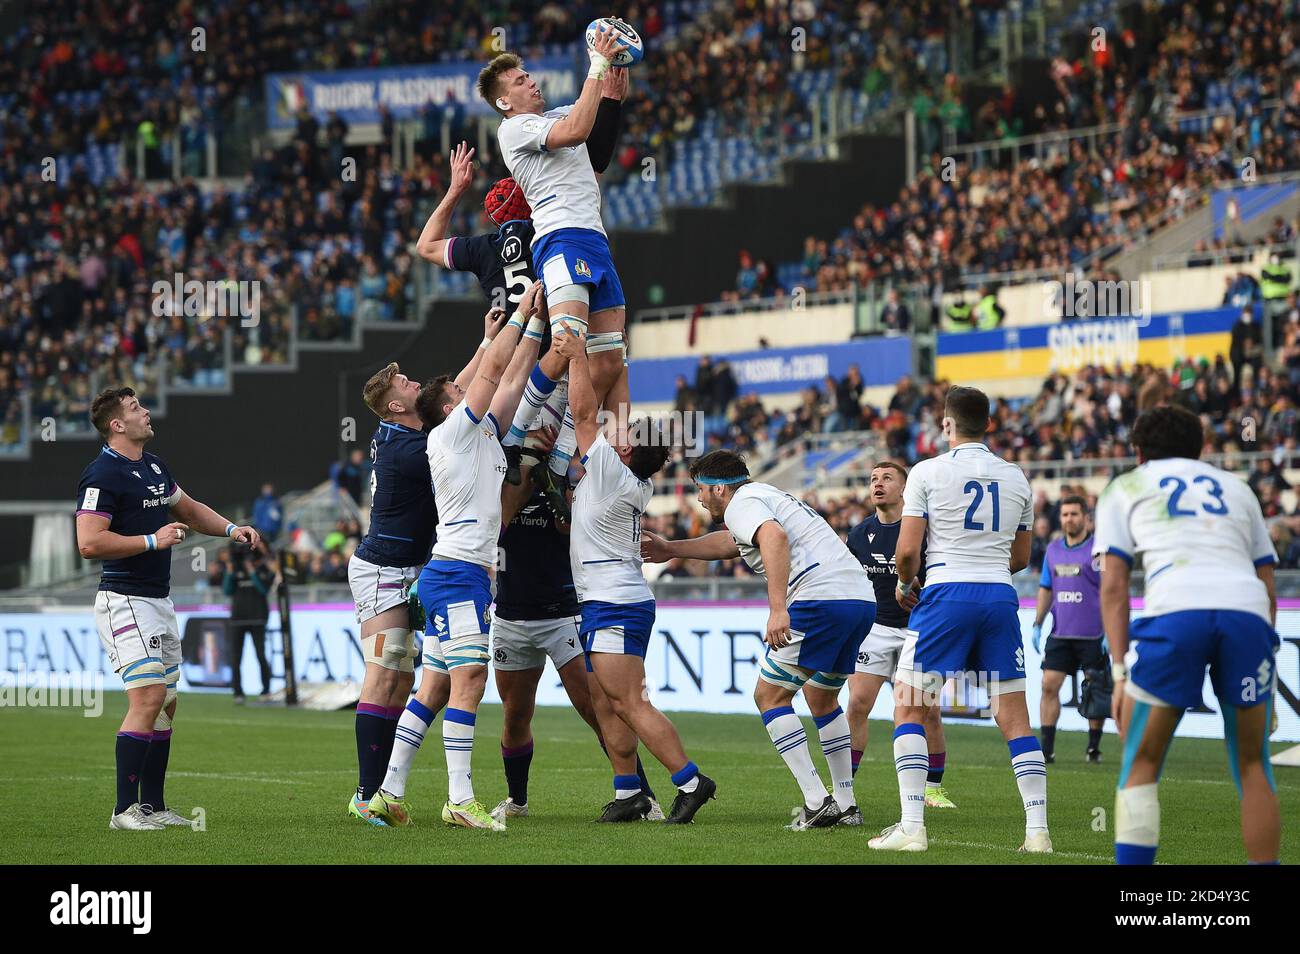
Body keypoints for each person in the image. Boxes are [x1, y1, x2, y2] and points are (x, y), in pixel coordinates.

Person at [642, 448, 873, 830]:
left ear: (719, 489)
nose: (698, 498)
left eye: (700, 488)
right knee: (822, 696)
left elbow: (773, 537)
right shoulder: (765, 496)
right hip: (857, 599)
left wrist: (778, 608)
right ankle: (846, 804)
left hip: (818, 599)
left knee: (770, 696)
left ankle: (817, 801)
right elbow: (733, 543)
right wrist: (670, 549)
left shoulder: (742, 502)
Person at [1095, 404, 1281, 865]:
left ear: (1138, 452)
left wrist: (1119, 672)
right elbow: (1268, 587)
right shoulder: (1238, 488)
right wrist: (1265, 667)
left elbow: (1114, 585)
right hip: (1247, 615)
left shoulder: (1127, 486)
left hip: (1176, 611)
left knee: (1141, 763)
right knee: (1254, 765)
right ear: (1199, 448)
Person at [871, 386, 1050, 853]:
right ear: (989, 424)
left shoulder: (928, 472)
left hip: (946, 593)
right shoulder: (1016, 477)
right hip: (998, 598)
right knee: (1014, 718)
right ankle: (1037, 833)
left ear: (946, 424)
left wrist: (906, 584)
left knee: (909, 706)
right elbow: (1022, 556)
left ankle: (912, 827)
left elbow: (907, 551)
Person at [550, 329, 716, 824]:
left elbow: (582, 414)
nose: (614, 432)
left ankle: (690, 780)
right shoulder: (625, 477)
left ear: (624, 452)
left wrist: (580, 355)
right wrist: (617, 366)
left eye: (622, 436)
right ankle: (629, 793)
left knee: (627, 700)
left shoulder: (609, 471)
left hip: (614, 604)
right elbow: (613, 416)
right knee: (606, 701)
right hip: (610, 600)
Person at [75, 387, 260, 830]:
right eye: (136, 408)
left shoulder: (153, 466)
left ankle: (153, 807)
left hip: (158, 600)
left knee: (166, 704)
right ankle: (123, 811)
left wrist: (232, 529)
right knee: (149, 697)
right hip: (124, 599)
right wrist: (151, 541)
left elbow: (190, 510)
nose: (146, 412)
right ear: (117, 425)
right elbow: (88, 542)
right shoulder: (102, 474)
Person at [408, 281, 545, 830]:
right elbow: (490, 373)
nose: (466, 390)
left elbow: (512, 377)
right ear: (450, 406)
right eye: (455, 390)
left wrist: (533, 324)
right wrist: (514, 316)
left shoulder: (482, 433)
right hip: (458, 573)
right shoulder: (452, 434)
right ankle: (459, 799)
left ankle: (388, 791)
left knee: (437, 686)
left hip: (459, 574)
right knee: (469, 682)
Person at [489, 424, 662, 822]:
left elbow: (571, 527)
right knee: (515, 715)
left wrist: (555, 475)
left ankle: (641, 796)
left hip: (565, 613)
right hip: (512, 615)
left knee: (599, 708)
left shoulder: (571, 482)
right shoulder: (499, 480)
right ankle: (517, 801)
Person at [481, 28, 633, 452]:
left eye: (527, 74)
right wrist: (598, 66)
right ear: (504, 102)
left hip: (594, 240)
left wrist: (613, 97)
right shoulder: (514, 130)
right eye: (519, 80)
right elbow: (578, 131)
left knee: (609, 358)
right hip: (561, 237)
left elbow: (597, 150)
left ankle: (565, 451)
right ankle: (514, 437)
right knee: (568, 344)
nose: (531, 81)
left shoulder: (558, 115)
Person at [342, 357, 447, 827]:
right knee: (384, 675)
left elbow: (458, 392)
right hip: (383, 570)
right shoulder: (409, 448)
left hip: (407, 568)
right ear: (395, 404)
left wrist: (489, 340)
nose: (414, 381)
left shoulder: (403, 436)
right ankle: (365, 795)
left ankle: (382, 789)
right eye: (405, 382)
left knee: (402, 682)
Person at [845, 462, 954, 811]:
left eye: (887, 478)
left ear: (905, 489)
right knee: (857, 704)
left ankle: (933, 788)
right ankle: (844, 788)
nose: (878, 484)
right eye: (873, 479)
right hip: (874, 629)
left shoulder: (925, 530)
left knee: (928, 712)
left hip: (918, 630)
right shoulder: (860, 535)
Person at [1032, 494, 1106, 763]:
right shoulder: (1052, 550)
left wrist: (1109, 629)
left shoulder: (1099, 549)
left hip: (1093, 633)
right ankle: (1046, 750)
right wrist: (1038, 623)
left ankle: (1093, 748)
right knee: (1048, 686)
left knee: (1095, 689)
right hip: (1061, 632)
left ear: (1086, 517)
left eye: (1074, 514)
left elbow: (1109, 588)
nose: (1069, 519)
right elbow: (1046, 588)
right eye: (1064, 514)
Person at [223, 539, 277, 703]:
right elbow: (227, 590)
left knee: (260, 655)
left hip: (258, 617)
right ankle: (238, 692)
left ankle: (266, 690)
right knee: (235, 657)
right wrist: (230, 573)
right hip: (238, 618)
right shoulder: (235, 567)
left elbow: (263, 589)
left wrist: (252, 571)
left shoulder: (263, 568)